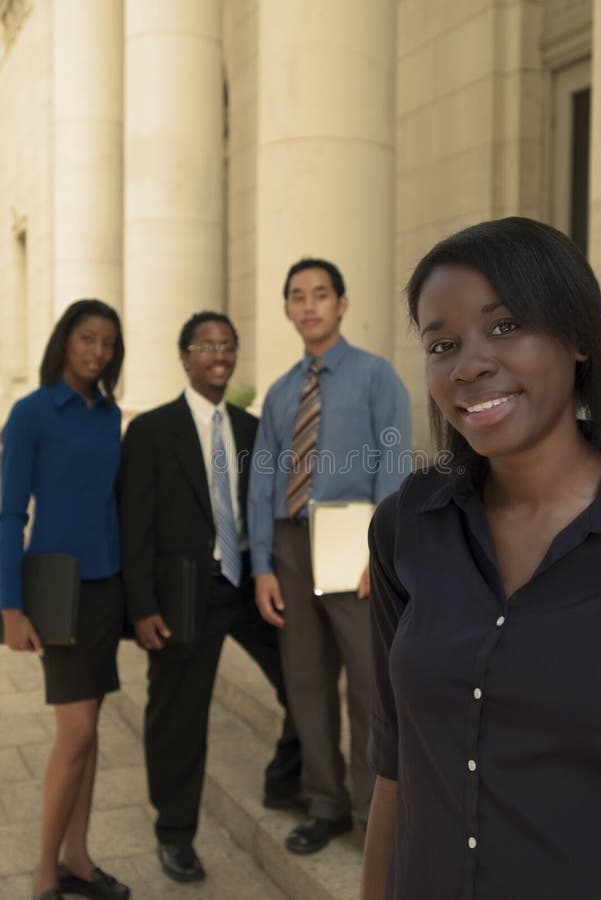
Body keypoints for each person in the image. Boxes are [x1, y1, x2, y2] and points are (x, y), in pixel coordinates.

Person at [361, 216, 601, 900]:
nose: (468, 363)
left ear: (578, 338)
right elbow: (395, 763)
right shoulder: (406, 528)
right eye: (441, 343)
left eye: (503, 326)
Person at [119, 311, 302, 884]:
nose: (219, 355)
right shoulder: (151, 430)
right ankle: (175, 834)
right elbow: (134, 525)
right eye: (206, 346)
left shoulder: (250, 429)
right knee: (178, 716)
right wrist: (142, 606)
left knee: (305, 677)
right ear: (185, 355)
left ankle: (285, 779)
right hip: (181, 594)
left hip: (247, 583)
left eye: (228, 346)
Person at [249, 259, 412, 855]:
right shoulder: (281, 391)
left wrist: (384, 550)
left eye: (321, 294)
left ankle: (379, 814)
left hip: (356, 542)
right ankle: (326, 804)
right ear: (288, 309)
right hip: (292, 545)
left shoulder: (377, 377)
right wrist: (263, 563)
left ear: (342, 304)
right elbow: (262, 481)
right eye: (298, 296)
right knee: (306, 680)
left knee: (370, 683)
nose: (309, 304)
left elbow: (394, 465)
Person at [0, 300, 129, 900]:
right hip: (55, 591)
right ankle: (45, 873)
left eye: (107, 342)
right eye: (87, 338)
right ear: (65, 341)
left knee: (91, 729)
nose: (97, 351)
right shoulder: (29, 415)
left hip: (105, 587)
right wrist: (8, 606)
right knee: (74, 734)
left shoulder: (109, 416)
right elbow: (7, 514)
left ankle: (77, 857)